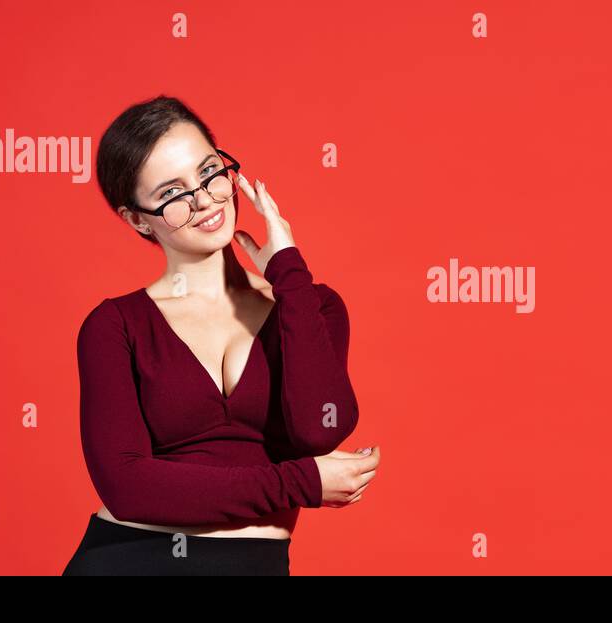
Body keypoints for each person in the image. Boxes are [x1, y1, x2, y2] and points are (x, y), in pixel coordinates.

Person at [62, 95, 380, 575]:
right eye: (173, 194)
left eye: (210, 172)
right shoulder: (114, 327)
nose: (205, 199)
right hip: (127, 561)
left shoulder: (310, 306)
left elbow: (322, 429)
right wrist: (299, 483)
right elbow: (127, 488)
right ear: (135, 219)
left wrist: (288, 272)